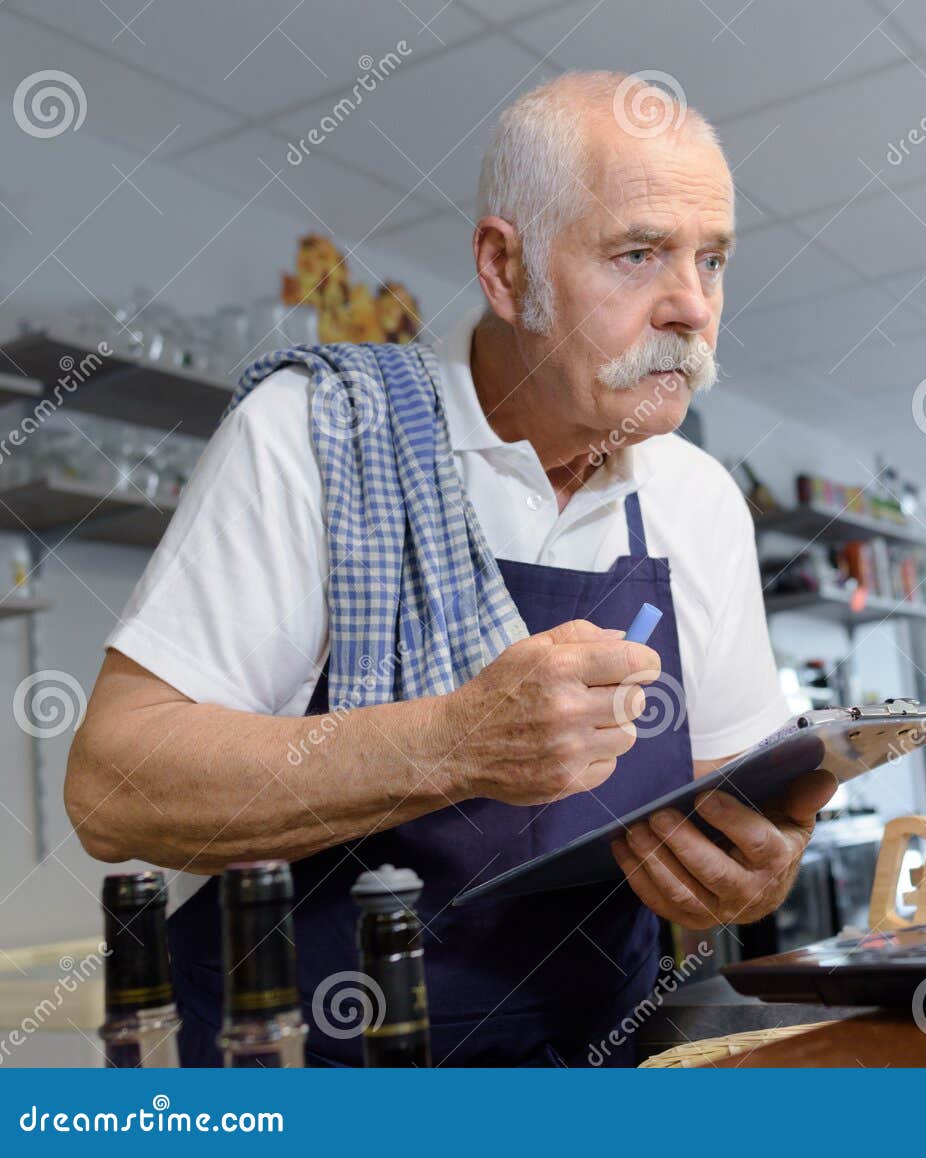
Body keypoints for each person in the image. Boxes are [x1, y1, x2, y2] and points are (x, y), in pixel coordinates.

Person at [65, 72, 835, 1067]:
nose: (691, 304)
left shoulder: (699, 501)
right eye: (638, 254)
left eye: (713, 260)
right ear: (505, 271)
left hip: (603, 1060)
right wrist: (453, 744)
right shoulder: (318, 432)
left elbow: (736, 812)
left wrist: (759, 873)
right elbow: (112, 789)